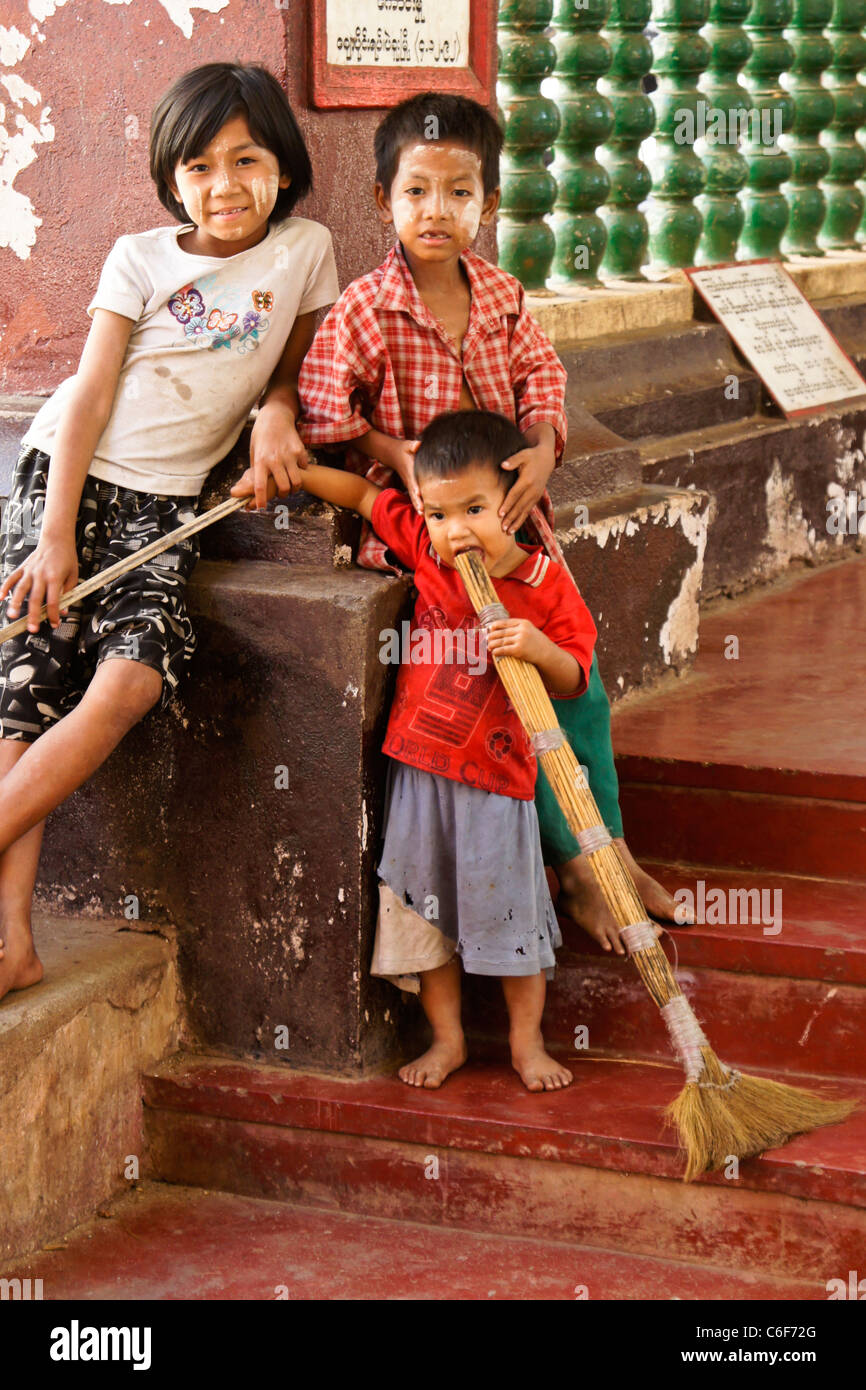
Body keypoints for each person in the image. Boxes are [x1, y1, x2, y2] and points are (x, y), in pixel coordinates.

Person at [296, 91, 685, 954]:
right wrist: (388, 452)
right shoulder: (366, 308)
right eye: (417, 191)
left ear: (490, 203)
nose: (438, 211)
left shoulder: (504, 296)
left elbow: (545, 382)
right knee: (521, 702)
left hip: (521, 540)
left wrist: (546, 447)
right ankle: (580, 871)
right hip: (441, 553)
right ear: (382, 201)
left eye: (460, 193)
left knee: (583, 692)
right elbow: (323, 410)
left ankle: (612, 847)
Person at [0, 62, 338, 1002]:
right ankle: (12, 945)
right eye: (198, 167)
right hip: (63, 483)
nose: (223, 185)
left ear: (284, 163)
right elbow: (92, 394)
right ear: (170, 177)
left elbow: (294, 369)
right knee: (25, 696)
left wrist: (276, 416)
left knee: (131, 678)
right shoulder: (138, 256)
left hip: (168, 506)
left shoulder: (307, 247)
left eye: (245, 159)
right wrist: (55, 533)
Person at [299, 410, 598, 1091]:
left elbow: (576, 675)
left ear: (514, 503)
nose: (454, 530)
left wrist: (537, 647)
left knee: (511, 913)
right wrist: (286, 472)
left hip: (498, 781)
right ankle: (449, 1039)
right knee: (419, 909)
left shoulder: (545, 585)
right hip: (418, 772)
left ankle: (527, 1044)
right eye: (438, 514)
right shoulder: (432, 559)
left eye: (475, 509)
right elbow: (367, 498)